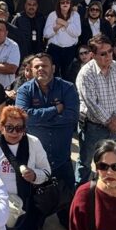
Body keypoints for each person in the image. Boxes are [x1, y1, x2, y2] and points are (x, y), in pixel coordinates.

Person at [15, 52, 79, 209]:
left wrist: (39, 120)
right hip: (35, 161)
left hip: (61, 158)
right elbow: (23, 117)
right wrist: (55, 109)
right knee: (36, 206)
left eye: (44, 65)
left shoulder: (67, 87)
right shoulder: (24, 90)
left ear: (54, 68)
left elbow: (71, 116)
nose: (40, 69)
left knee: (67, 203)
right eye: (36, 66)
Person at [75, 35, 116, 185]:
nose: (108, 56)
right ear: (92, 55)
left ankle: (104, 191)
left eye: (110, 51)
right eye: (103, 53)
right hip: (93, 127)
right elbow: (92, 103)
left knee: (109, 161)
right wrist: (111, 121)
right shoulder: (86, 74)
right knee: (85, 162)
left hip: (115, 125)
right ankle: (79, 193)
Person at [44, 0, 82, 77]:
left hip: (70, 50)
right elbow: (46, 34)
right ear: (59, 4)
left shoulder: (75, 15)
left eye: (68, 2)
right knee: (54, 74)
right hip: (55, 49)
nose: (65, 4)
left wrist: (64, 23)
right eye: (62, 2)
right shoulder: (52, 15)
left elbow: (77, 33)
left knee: (68, 75)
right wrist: (57, 26)